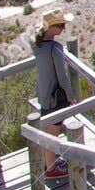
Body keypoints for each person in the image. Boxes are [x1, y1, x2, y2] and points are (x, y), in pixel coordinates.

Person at [33, 13, 74, 180]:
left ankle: (49, 163)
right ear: (50, 28)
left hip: (43, 93)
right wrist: (71, 97)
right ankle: (51, 169)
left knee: (48, 129)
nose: (63, 29)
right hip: (55, 96)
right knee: (53, 131)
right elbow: (62, 77)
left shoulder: (37, 44)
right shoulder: (55, 49)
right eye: (60, 26)